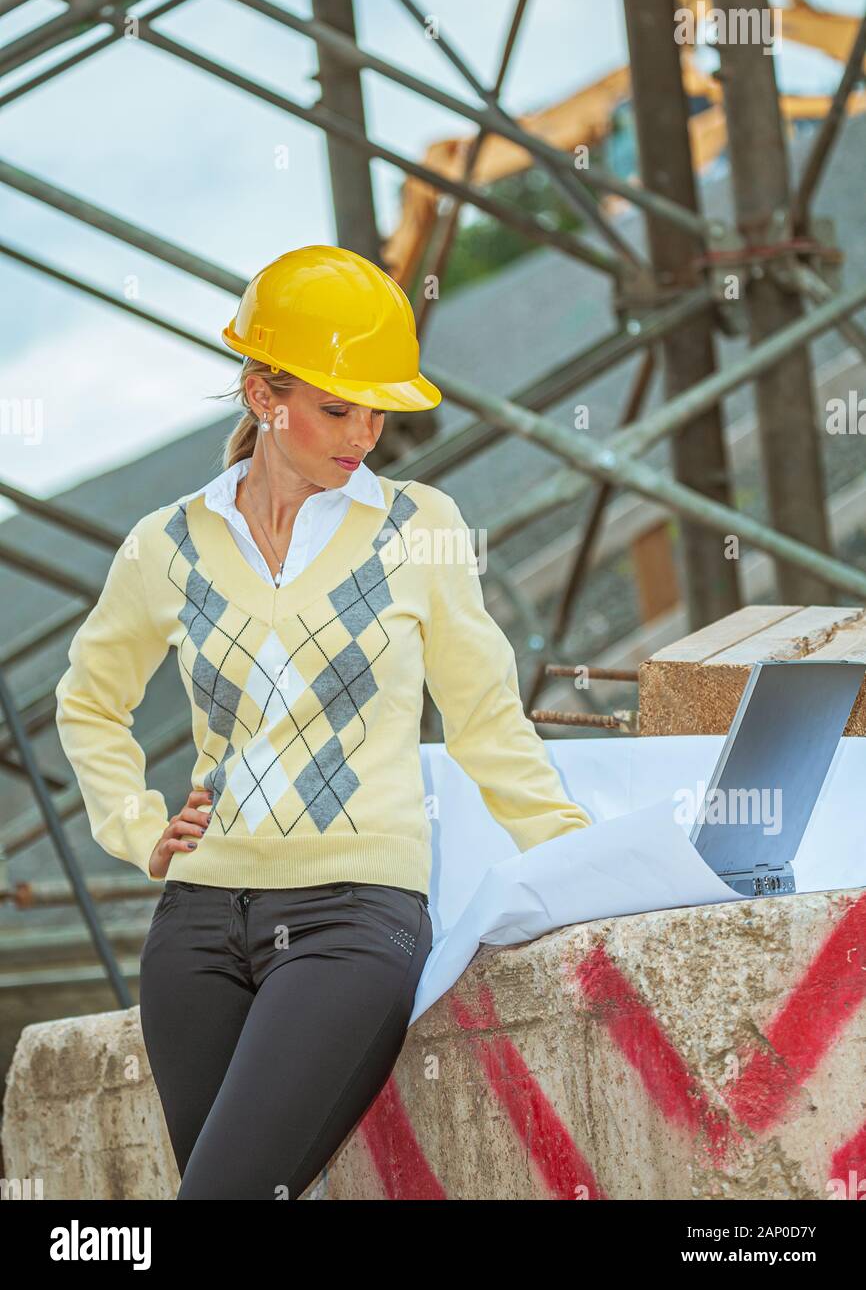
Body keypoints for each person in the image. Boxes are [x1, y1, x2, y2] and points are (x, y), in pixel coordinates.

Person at [54, 243, 592, 1200]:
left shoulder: (419, 526)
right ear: (265, 395)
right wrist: (138, 830)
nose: (366, 434)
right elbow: (90, 700)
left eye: (378, 409)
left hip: (355, 917)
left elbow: (485, 721)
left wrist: (578, 858)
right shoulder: (166, 546)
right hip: (195, 931)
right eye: (338, 408)